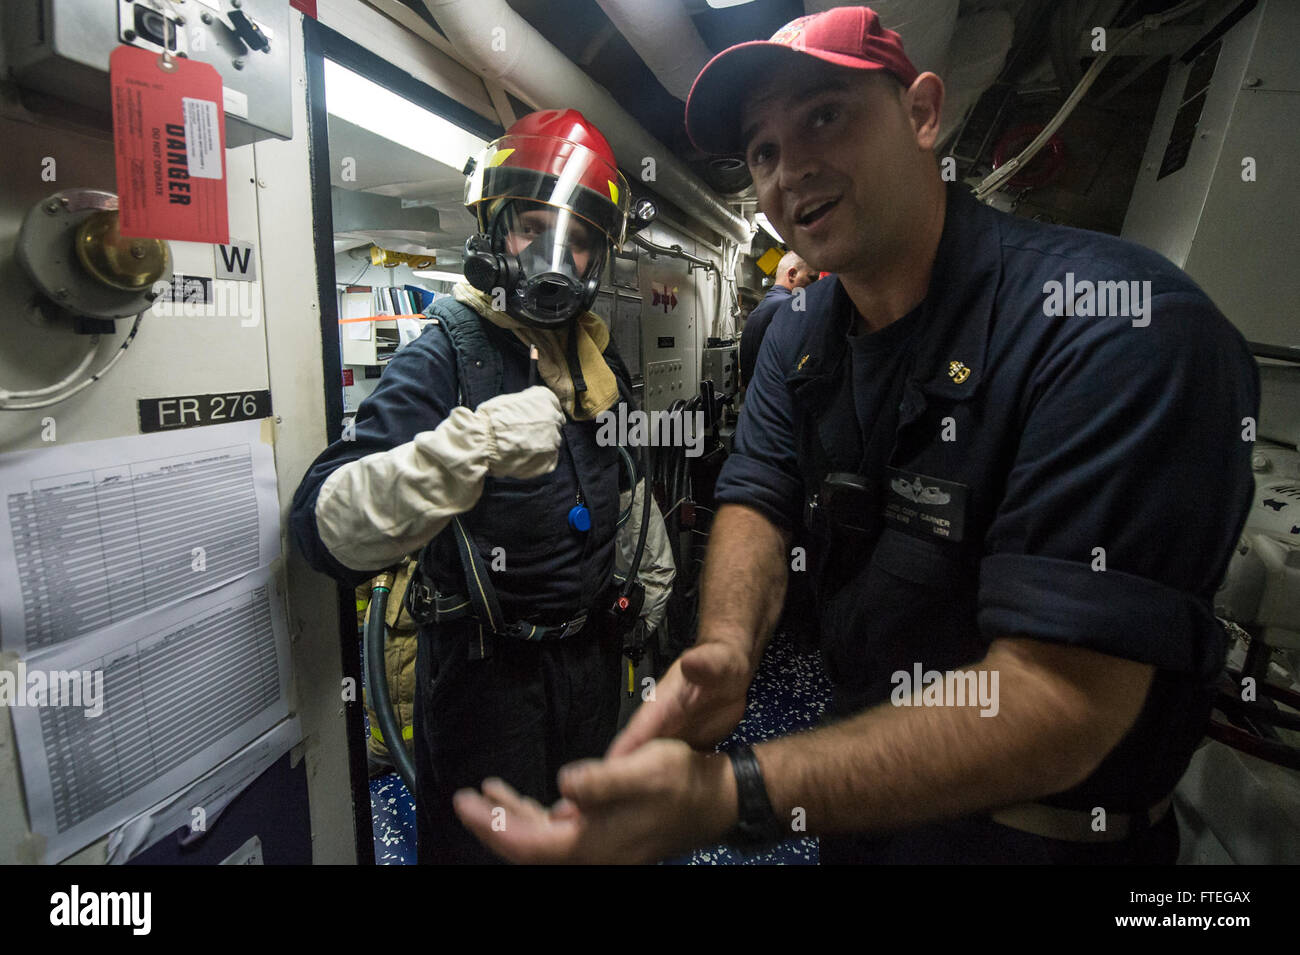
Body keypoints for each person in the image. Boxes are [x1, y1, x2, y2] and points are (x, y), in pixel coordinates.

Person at [451, 6, 1259, 865]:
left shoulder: (1117, 331)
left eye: (825, 116)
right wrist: (724, 649)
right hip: (861, 804)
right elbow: (756, 497)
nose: (790, 168)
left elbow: (1061, 699)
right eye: (761, 151)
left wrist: (736, 794)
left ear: (921, 113)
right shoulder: (794, 333)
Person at [289, 108, 672, 863]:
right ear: (495, 232)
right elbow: (320, 526)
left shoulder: (597, 361)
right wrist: (470, 445)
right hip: (486, 683)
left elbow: (626, 483)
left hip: (592, 668)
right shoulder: (448, 354)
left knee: (587, 841)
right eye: (534, 226)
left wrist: (651, 581)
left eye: (582, 237)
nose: (556, 255)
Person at [739, 251, 817, 389]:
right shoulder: (791, 306)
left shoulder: (765, 305)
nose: (816, 286)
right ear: (792, 274)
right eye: (812, 279)